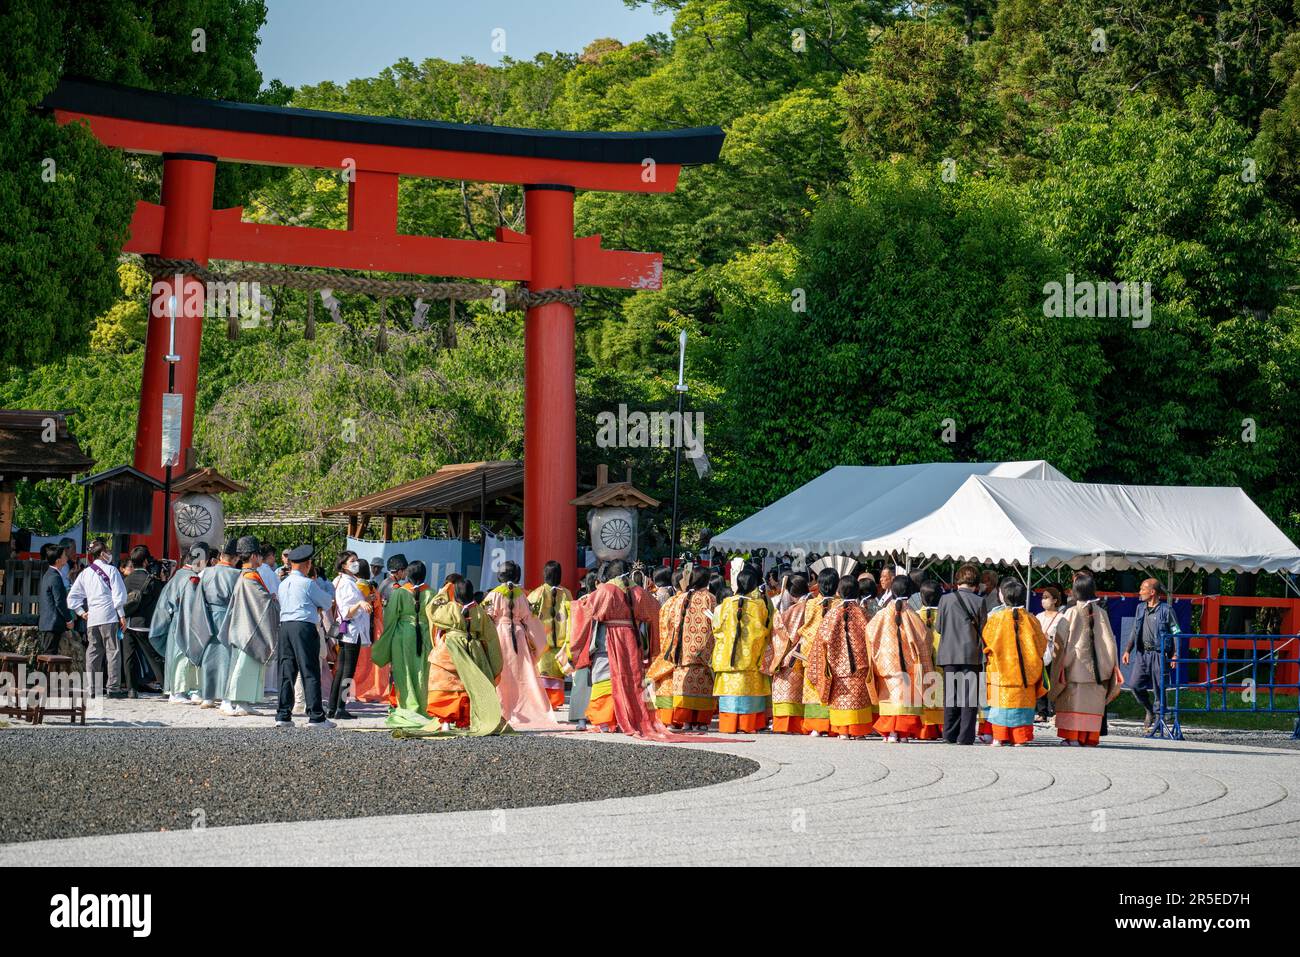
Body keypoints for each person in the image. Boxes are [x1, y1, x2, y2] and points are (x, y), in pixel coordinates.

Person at [568, 560, 683, 738]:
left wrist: (577, 605)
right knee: (632, 678)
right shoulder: (637, 590)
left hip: (607, 639)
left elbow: (587, 610)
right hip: (631, 638)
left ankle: (606, 720)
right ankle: (631, 717)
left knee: (603, 677)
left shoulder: (606, 590)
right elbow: (654, 611)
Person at [416, 578, 509, 735]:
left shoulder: (448, 609)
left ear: (455, 594)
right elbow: (491, 638)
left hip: (448, 651)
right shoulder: (479, 612)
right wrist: (493, 665)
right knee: (468, 686)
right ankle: (465, 721)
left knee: (444, 685)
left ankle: (445, 722)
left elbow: (431, 610)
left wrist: (444, 592)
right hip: (473, 651)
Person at [1049, 572, 1121, 746]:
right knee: (1092, 705)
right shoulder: (1102, 613)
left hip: (1075, 668)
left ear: (1075, 591)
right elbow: (1110, 642)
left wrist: (1059, 661)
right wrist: (1109, 665)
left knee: (1074, 703)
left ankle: (1073, 737)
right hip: (1098, 672)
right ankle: (1090, 738)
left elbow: (1059, 639)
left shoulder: (1071, 612)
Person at [483, 561, 557, 729]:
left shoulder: (493, 595)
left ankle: (501, 709)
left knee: (501, 671)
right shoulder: (521, 594)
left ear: (499, 575)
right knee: (522, 673)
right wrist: (537, 642)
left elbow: (485, 617)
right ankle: (522, 705)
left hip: (500, 633)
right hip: (518, 635)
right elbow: (529, 618)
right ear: (517, 575)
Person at [981, 578, 1047, 747]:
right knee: (1021, 707)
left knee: (999, 706)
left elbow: (986, 641)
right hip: (1025, 674)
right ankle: (1020, 739)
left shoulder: (995, 619)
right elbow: (1041, 645)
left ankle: (998, 737)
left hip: (1000, 671)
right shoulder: (1032, 619)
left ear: (1002, 596)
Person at [274, 544, 335, 728]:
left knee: (286, 671)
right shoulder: (308, 583)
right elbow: (326, 602)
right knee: (310, 670)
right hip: (304, 626)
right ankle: (316, 716)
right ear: (308, 564)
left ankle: (283, 715)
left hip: (285, 627)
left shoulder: (283, 584)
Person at [808, 576, 876, 739]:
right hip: (860, 668)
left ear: (839, 591)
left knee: (841, 700)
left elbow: (820, 642)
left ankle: (842, 731)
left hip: (837, 669)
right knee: (859, 699)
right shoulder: (864, 614)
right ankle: (858, 731)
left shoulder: (831, 615)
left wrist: (816, 667)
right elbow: (873, 639)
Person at [868, 577, 934, 742]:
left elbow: (869, 633)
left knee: (890, 698)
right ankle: (903, 733)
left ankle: (889, 732)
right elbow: (925, 637)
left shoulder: (881, 614)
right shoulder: (912, 614)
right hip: (908, 667)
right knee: (905, 699)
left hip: (887, 666)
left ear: (891, 590)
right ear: (911, 593)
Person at [219, 536, 279, 716]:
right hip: (248, 630)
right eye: (259, 555)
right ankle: (236, 701)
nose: (261, 558)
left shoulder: (245, 575)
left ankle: (244, 702)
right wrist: (273, 600)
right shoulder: (250, 577)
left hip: (244, 626)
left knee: (247, 667)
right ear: (253, 556)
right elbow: (263, 602)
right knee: (243, 667)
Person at [710, 564, 773, 733]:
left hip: (727, 658)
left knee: (730, 691)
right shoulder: (759, 605)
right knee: (749, 691)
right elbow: (764, 631)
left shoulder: (726, 604)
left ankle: (729, 725)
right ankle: (747, 725)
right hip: (751, 658)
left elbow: (717, 628)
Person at [652, 565, 717, 730]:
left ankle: (686, 720)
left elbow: (673, 625)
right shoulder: (709, 598)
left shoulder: (679, 599)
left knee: (685, 686)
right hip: (703, 651)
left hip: (682, 652)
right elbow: (713, 624)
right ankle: (701, 723)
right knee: (703, 687)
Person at [371, 559, 432, 725]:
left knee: (403, 672)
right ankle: (423, 708)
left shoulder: (400, 592)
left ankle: (406, 707)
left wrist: (386, 639)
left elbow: (390, 618)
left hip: (402, 635)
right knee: (422, 671)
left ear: (407, 575)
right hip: (425, 635)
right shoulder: (431, 593)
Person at [65, 539, 128, 698]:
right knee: (112, 652)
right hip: (109, 616)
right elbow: (118, 596)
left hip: (92, 618)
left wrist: (81, 612)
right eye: (107, 550)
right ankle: (113, 688)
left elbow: (72, 597)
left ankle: (92, 688)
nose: (109, 553)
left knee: (93, 653)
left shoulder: (85, 573)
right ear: (101, 553)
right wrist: (122, 616)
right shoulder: (112, 570)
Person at [935, 563, 987, 745]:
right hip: (971, 654)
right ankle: (965, 736)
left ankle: (949, 733)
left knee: (951, 694)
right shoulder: (980, 601)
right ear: (976, 583)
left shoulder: (945, 600)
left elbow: (938, 627)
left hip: (949, 653)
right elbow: (983, 629)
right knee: (969, 697)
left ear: (958, 580)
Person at [150, 544, 208, 703]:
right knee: (184, 656)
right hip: (188, 623)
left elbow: (163, 606)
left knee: (178, 657)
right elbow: (191, 606)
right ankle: (180, 692)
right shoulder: (191, 579)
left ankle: (183, 690)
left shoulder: (176, 577)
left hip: (174, 622)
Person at [1123, 578, 1179, 732]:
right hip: (1142, 653)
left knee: (1159, 688)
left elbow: (1176, 633)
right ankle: (1149, 710)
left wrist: (1175, 655)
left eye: (1142, 589)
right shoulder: (1140, 608)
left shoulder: (1167, 610)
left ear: (1152, 592)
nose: (1139, 592)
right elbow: (1135, 630)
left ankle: (1160, 721)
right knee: (1134, 685)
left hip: (1159, 654)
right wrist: (1128, 650)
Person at [797, 568, 843, 736]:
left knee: (813, 690)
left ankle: (815, 725)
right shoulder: (840, 604)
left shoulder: (810, 604)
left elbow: (807, 629)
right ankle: (833, 724)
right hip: (834, 654)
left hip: (812, 654)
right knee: (833, 688)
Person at [762, 571, 809, 734]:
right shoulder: (814, 604)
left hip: (791, 653)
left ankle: (787, 724)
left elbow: (781, 630)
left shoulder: (796, 609)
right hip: (808, 653)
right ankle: (804, 723)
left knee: (786, 686)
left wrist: (775, 616)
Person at [329, 550, 372, 720]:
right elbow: (348, 611)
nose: (356, 563)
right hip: (352, 630)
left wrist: (364, 601)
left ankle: (333, 706)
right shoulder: (347, 583)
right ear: (343, 565)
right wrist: (361, 602)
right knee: (348, 671)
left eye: (356, 560)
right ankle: (341, 706)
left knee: (341, 670)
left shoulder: (343, 581)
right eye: (352, 561)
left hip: (348, 630)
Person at [199, 539, 241, 711]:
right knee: (226, 657)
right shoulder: (236, 574)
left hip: (207, 615)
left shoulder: (206, 572)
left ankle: (207, 696)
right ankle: (225, 698)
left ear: (222, 555)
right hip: (227, 615)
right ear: (236, 557)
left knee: (209, 655)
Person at [528, 560, 572, 711]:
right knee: (558, 675)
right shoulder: (566, 593)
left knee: (543, 673)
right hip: (561, 642)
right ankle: (555, 702)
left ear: (544, 574)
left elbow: (528, 616)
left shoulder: (537, 593)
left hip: (542, 642)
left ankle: (543, 702)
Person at [121, 545, 165, 695]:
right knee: (154, 656)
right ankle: (166, 686)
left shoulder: (127, 580)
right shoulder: (151, 580)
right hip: (145, 624)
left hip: (128, 623)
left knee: (129, 656)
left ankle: (131, 689)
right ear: (146, 561)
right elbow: (161, 599)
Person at [916, 579, 944, 739]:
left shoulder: (915, 616)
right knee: (941, 693)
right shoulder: (945, 615)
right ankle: (941, 727)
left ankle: (924, 728)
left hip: (922, 664)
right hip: (941, 663)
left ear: (921, 597)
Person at [1035, 585, 1067, 721]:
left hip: (1055, 654)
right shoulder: (1038, 616)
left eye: (1047, 597)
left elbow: (1064, 636)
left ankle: (1055, 710)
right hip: (1040, 653)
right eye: (1043, 597)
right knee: (1041, 682)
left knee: (1054, 681)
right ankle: (1041, 712)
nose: (1043, 600)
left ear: (1055, 600)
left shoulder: (1062, 617)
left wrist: (1050, 637)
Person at [37, 542, 74, 658]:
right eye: (64, 555)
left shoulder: (48, 574)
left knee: (47, 656)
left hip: (47, 623)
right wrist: (69, 620)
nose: (66, 557)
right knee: (50, 657)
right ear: (58, 560)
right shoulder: (55, 577)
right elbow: (59, 602)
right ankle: (43, 677)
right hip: (53, 623)